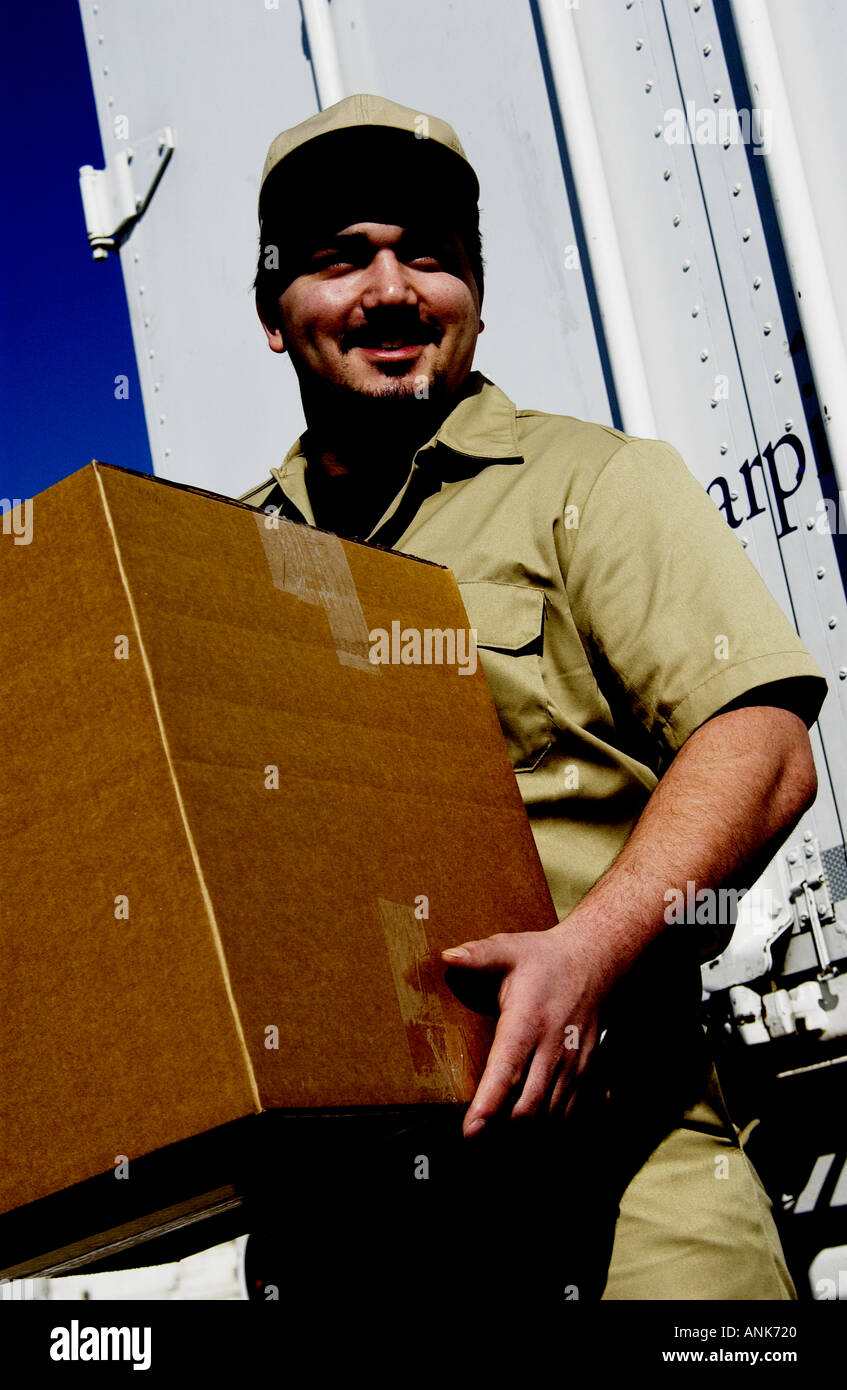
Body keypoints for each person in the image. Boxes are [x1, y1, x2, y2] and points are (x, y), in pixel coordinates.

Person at [241, 94, 827, 1302]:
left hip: (623, 1189)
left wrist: (585, 956)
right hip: (352, 1237)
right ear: (272, 312)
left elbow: (763, 746)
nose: (391, 290)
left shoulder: (594, 485)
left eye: (431, 257)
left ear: (477, 295)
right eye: (341, 257)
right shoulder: (214, 562)